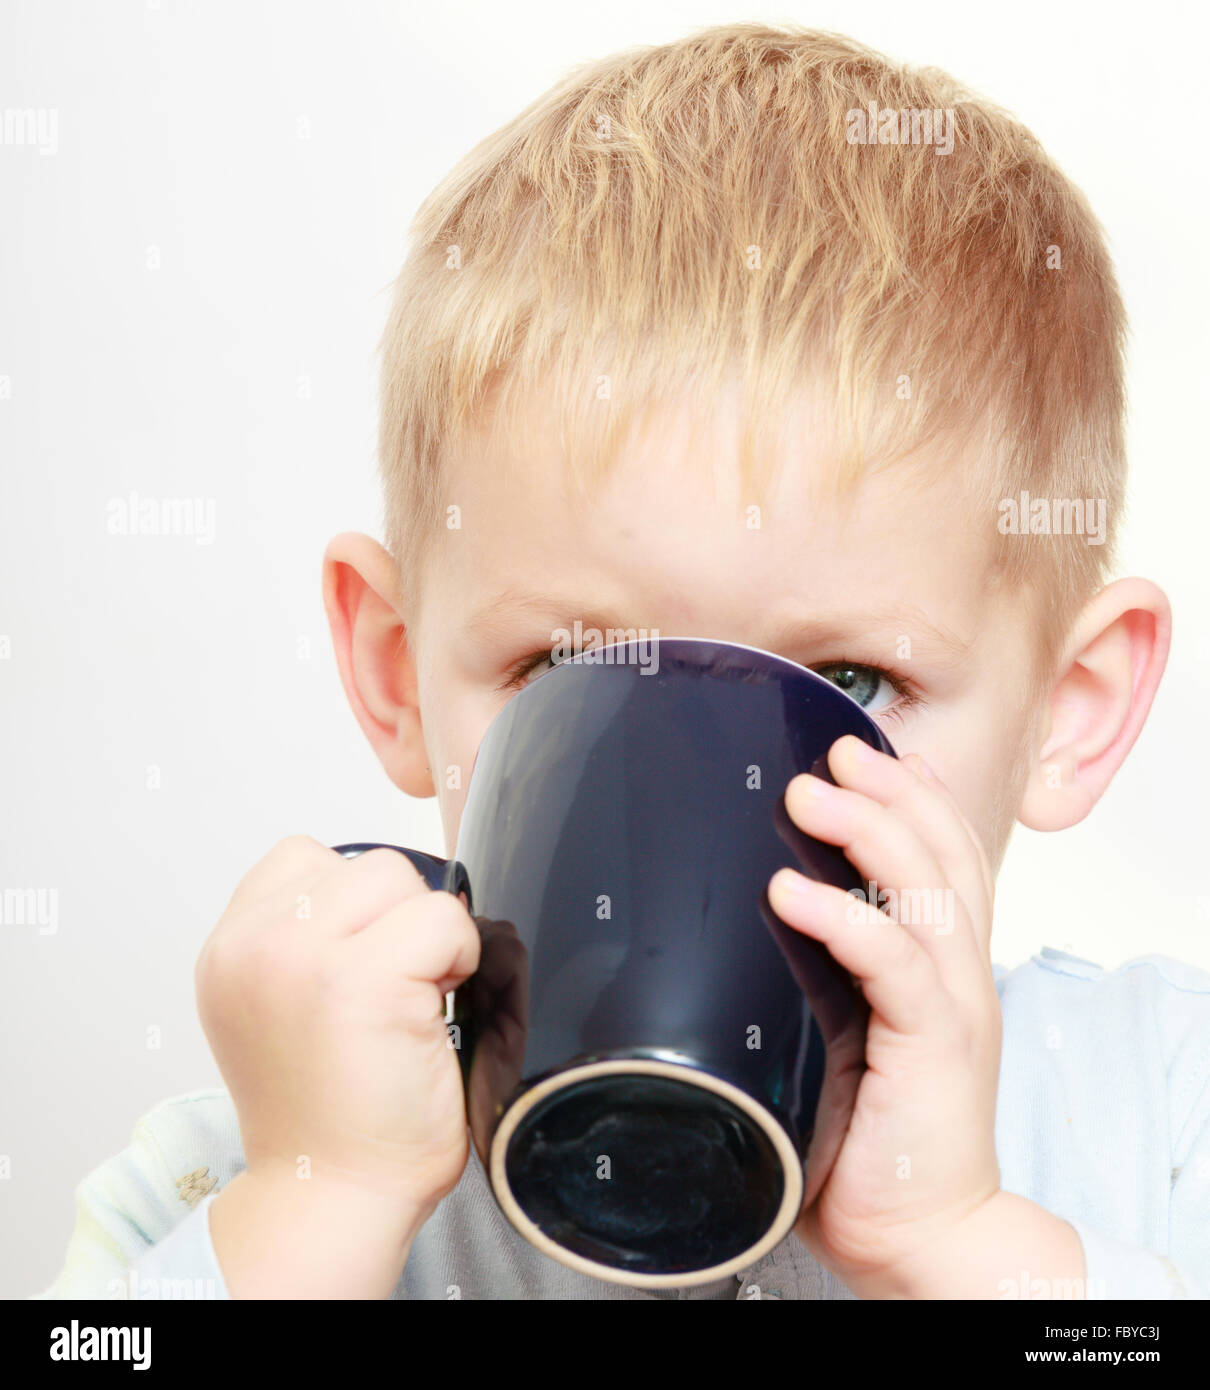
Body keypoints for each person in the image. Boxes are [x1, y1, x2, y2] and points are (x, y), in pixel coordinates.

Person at [35, 21, 1210, 1300]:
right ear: (394, 669)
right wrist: (323, 1207)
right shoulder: (251, 1172)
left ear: (1068, 712)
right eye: (565, 665)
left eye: (853, 686)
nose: (687, 818)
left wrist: (959, 1241)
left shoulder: (1155, 1100)